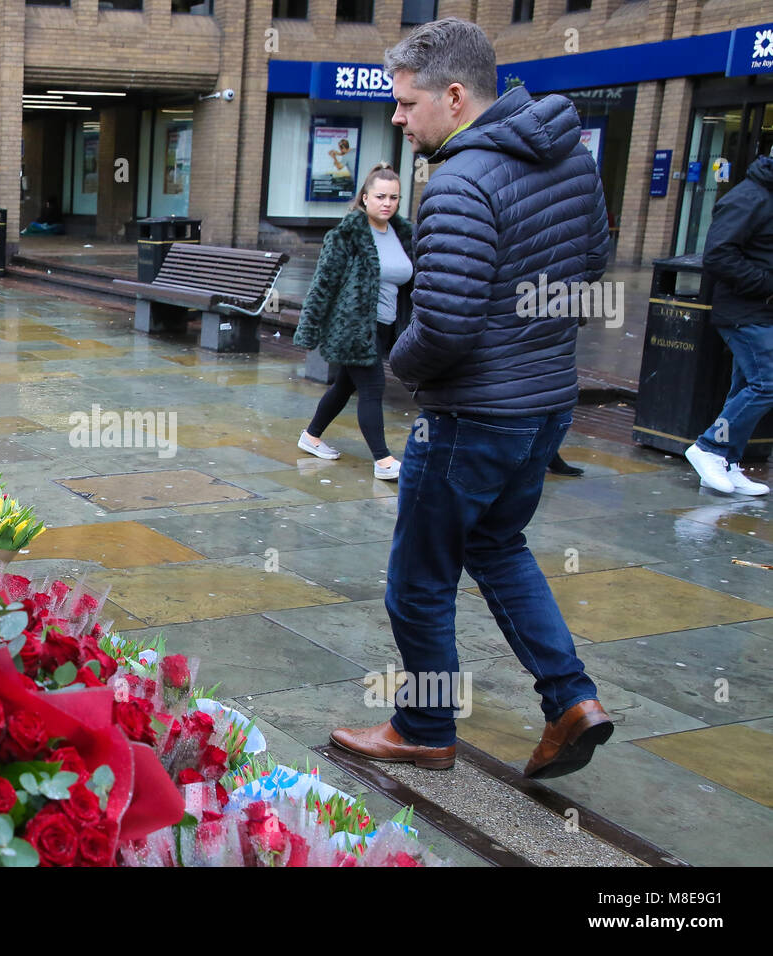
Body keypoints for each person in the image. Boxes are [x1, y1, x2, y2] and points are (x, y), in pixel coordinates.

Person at [328, 18, 613, 780]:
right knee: (497, 545)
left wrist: (405, 372)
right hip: (544, 406)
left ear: (455, 97)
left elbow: (446, 323)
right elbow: (593, 267)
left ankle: (423, 726)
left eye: (406, 103)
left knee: (420, 579)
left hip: (472, 415)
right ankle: (571, 699)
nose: (397, 117)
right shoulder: (572, 161)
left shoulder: (459, 177)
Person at [293, 162, 413, 480]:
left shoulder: (403, 234)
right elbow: (323, 283)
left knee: (345, 385)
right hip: (354, 327)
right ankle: (383, 460)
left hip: (387, 327)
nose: (387, 203)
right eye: (380, 196)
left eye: (394, 197)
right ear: (364, 198)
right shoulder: (346, 235)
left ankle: (311, 435)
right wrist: (309, 328)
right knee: (373, 387)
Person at [683, 149, 773, 497]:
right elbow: (718, 255)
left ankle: (726, 460)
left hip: (759, 311)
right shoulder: (749, 196)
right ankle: (709, 448)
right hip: (744, 312)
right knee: (766, 383)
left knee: (745, 388)